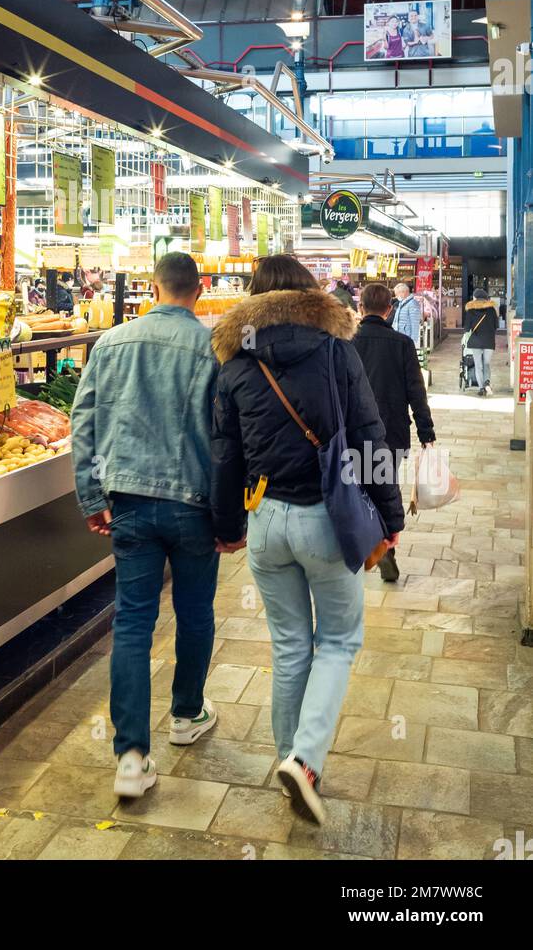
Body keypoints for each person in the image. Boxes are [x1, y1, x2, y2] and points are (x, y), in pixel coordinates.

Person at [211, 255, 403, 827]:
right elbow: (371, 434)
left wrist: (226, 527)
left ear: (253, 297)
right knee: (339, 641)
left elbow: (225, 454)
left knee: (291, 647)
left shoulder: (234, 362)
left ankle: (287, 759)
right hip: (327, 517)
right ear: (310, 295)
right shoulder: (336, 351)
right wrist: (389, 517)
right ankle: (305, 760)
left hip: (266, 517)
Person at [71, 253, 220, 799]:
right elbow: (227, 439)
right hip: (194, 505)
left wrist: (91, 496)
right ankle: (186, 715)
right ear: (198, 289)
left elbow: (82, 423)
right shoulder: (213, 349)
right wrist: (231, 515)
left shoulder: (110, 344)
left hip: (128, 502)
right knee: (195, 610)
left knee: (132, 622)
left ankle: (131, 757)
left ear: (151, 288)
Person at [353, 282, 435, 583]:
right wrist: (426, 431)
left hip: (354, 432)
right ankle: (385, 545)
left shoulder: (346, 343)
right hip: (391, 432)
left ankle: (364, 544)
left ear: (361, 308)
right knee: (385, 485)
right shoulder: (402, 344)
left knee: (359, 488)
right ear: (390, 309)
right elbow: (416, 391)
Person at [463, 287, 499, 396]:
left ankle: (481, 387)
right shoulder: (492, 309)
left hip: (476, 341)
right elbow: (496, 326)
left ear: (475, 298)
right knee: (486, 363)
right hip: (489, 341)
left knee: (478, 365)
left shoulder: (470, 310)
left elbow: (467, 328)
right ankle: (487, 382)